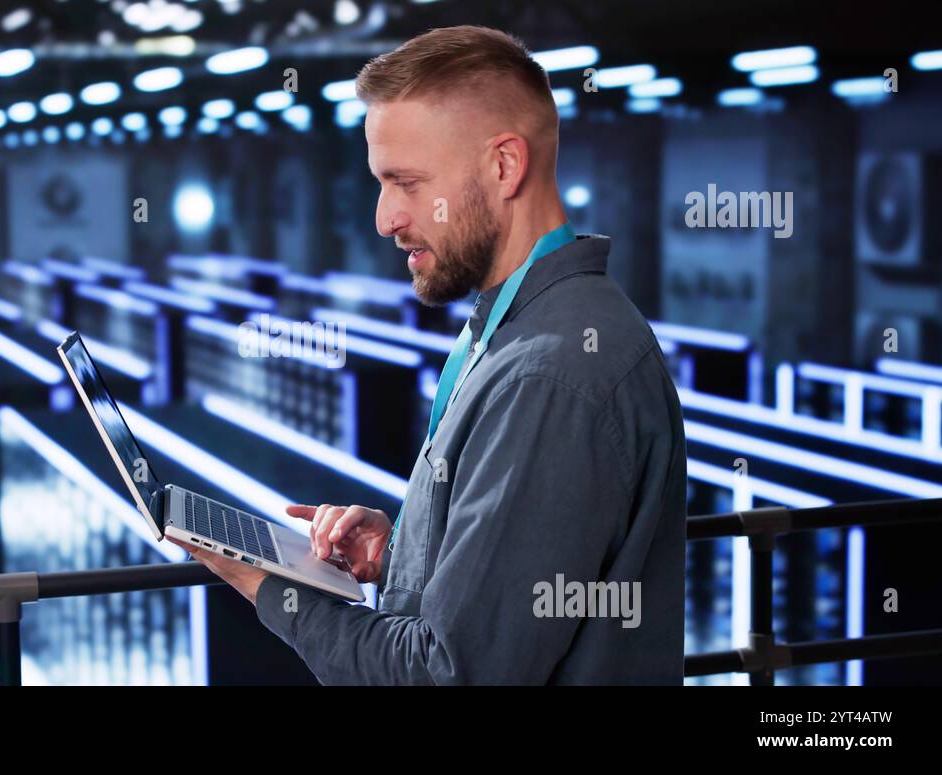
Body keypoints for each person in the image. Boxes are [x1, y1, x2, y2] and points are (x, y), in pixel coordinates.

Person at [170, 25, 687, 685]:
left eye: (407, 182)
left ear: (503, 166)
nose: (385, 218)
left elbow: (445, 675)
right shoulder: (518, 331)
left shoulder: (551, 375)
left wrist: (267, 585)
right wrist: (406, 554)